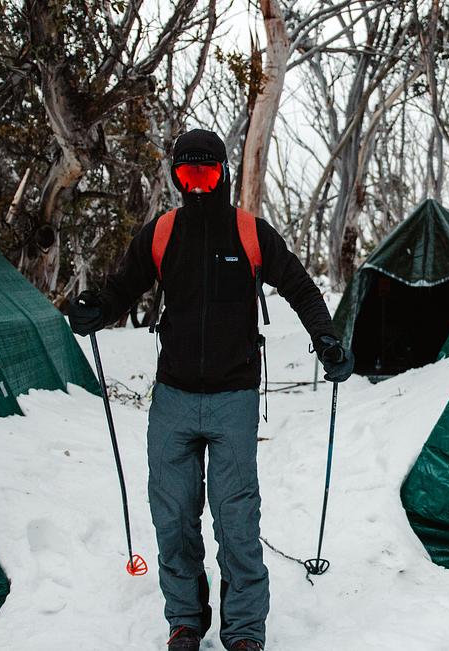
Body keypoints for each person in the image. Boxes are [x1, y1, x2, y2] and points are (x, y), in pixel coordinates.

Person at [68, 128, 353, 651]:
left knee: (236, 519)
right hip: (173, 398)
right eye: (186, 174)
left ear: (223, 173)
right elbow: (120, 288)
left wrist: (327, 339)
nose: (197, 184)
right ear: (176, 177)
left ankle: (244, 631)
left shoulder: (250, 233)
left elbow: (301, 288)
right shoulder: (160, 234)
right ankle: (185, 621)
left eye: (206, 173)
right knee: (173, 518)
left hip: (234, 399)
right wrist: (95, 310)